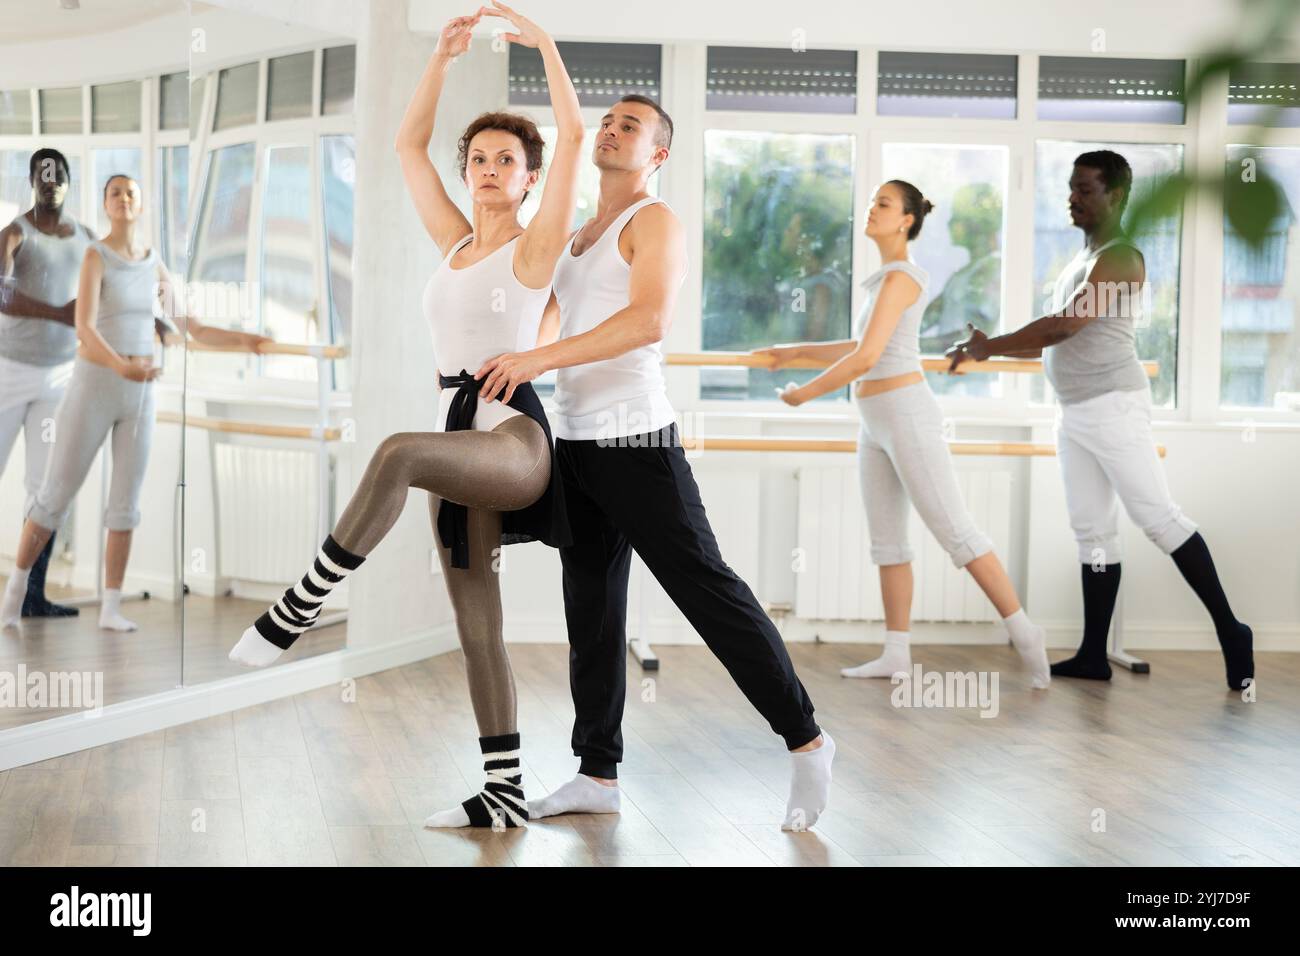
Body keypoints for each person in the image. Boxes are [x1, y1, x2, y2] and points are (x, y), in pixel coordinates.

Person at [229, 2, 584, 831]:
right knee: (475, 619)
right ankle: (503, 791)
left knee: (394, 449)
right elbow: (402, 147)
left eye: (508, 159)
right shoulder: (457, 243)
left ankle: (299, 606)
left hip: (513, 436)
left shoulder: (532, 249)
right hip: (459, 436)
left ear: (530, 177)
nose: (492, 167)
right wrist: (442, 59)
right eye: (481, 158)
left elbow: (570, 134)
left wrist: (546, 45)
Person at [474, 94, 835, 832]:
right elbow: (551, 320)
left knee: (707, 592)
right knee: (594, 615)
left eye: (629, 126)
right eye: (607, 120)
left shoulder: (655, 221)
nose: (610, 129)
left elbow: (648, 321)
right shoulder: (577, 238)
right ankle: (597, 773)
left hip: (637, 443)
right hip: (574, 446)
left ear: (657, 156)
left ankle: (807, 738)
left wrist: (537, 357)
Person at [947, 149, 1253, 690]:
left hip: (1115, 408)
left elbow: (1065, 326)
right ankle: (1092, 653)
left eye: (1085, 189)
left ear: (1116, 195)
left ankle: (1232, 630)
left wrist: (989, 347)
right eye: (1071, 188)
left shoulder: (1121, 258)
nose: (1073, 198)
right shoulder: (1080, 260)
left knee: (1159, 520)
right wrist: (990, 349)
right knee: (1091, 533)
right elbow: (1053, 337)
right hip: (1076, 413)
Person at [756, 180, 1051, 689]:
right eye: (872, 202)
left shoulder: (903, 278)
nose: (871, 210)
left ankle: (1026, 633)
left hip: (908, 415)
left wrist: (804, 393)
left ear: (907, 220)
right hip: (876, 422)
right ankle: (896, 654)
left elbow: (867, 359)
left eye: (884, 204)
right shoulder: (883, 282)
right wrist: (793, 351)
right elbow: (861, 344)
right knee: (887, 543)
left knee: (956, 533)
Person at [1, 173, 269, 631]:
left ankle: (110, 607)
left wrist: (248, 340)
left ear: (140, 205)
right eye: (115, 193)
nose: (123, 199)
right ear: (106, 205)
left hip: (141, 392)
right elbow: (84, 327)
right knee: (53, 497)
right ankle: (13, 595)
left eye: (131, 193)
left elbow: (193, 327)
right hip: (93, 385)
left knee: (126, 502)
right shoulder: (95, 255)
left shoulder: (154, 265)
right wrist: (121, 366)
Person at [0, 148, 93, 618]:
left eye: (59, 174)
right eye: (43, 173)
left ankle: (31, 594)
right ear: (33, 181)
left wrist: (156, 321)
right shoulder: (15, 232)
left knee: (47, 489)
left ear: (69, 182)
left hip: (58, 376)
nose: (51, 180)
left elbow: (114, 284)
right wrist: (58, 312)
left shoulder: (87, 238)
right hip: (9, 371)